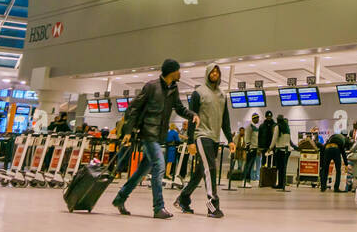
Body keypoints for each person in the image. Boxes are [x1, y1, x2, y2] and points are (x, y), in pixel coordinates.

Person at [111, 59, 199, 219]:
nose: (180, 73)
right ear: (171, 72)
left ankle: (120, 198)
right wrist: (129, 132)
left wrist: (192, 115)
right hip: (148, 133)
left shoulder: (173, 88)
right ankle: (159, 207)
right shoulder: (151, 86)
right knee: (159, 166)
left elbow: (179, 107)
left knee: (142, 170)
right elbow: (134, 108)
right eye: (178, 70)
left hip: (159, 135)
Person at [176, 63, 235, 218]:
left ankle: (183, 198)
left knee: (201, 171)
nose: (215, 73)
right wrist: (190, 141)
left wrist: (230, 139)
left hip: (215, 137)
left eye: (217, 71)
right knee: (210, 168)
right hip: (201, 136)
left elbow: (225, 120)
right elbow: (191, 118)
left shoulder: (222, 95)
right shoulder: (198, 93)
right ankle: (212, 204)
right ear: (207, 73)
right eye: (212, 71)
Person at [267, 114, 292, 190]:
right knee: (284, 168)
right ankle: (283, 184)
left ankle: (280, 184)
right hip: (287, 150)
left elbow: (274, 139)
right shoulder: (287, 127)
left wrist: (270, 148)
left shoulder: (278, 127)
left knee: (280, 168)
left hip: (280, 150)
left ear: (277, 120)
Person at [257, 110, 276, 177]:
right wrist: (259, 147)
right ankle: (263, 177)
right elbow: (259, 137)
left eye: (270, 116)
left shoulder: (275, 126)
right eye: (268, 116)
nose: (269, 118)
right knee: (264, 162)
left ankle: (271, 178)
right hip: (264, 146)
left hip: (272, 147)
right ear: (265, 117)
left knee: (273, 162)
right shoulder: (262, 126)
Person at [244, 114, 262, 182]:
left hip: (255, 148)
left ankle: (248, 180)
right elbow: (247, 138)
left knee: (251, 165)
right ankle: (245, 180)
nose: (258, 119)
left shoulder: (254, 127)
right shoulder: (250, 126)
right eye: (257, 118)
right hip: (251, 148)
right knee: (248, 165)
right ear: (253, 119)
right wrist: (249, 147)